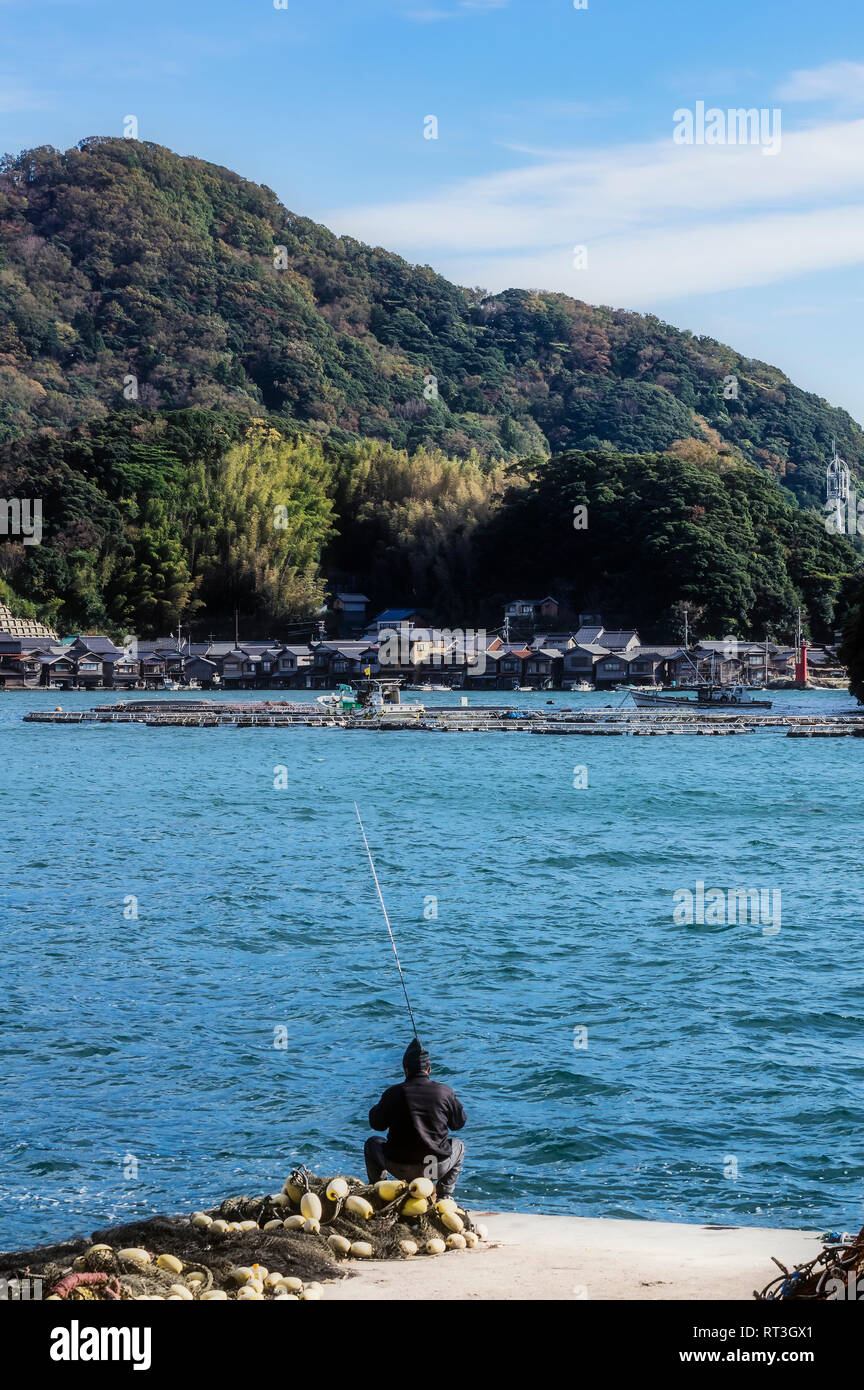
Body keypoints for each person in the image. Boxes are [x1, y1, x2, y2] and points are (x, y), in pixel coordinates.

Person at [364, 1038, 466, 1198]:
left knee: (371, 1144)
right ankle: (443, 1195)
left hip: (400, 1166)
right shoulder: (444, 1092)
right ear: (429, 1069)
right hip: (432, 1168)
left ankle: (379, 1192)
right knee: (459, 1145)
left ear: (405, 1069)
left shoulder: (393, 1093)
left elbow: (376, 1124)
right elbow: (459, 1123)